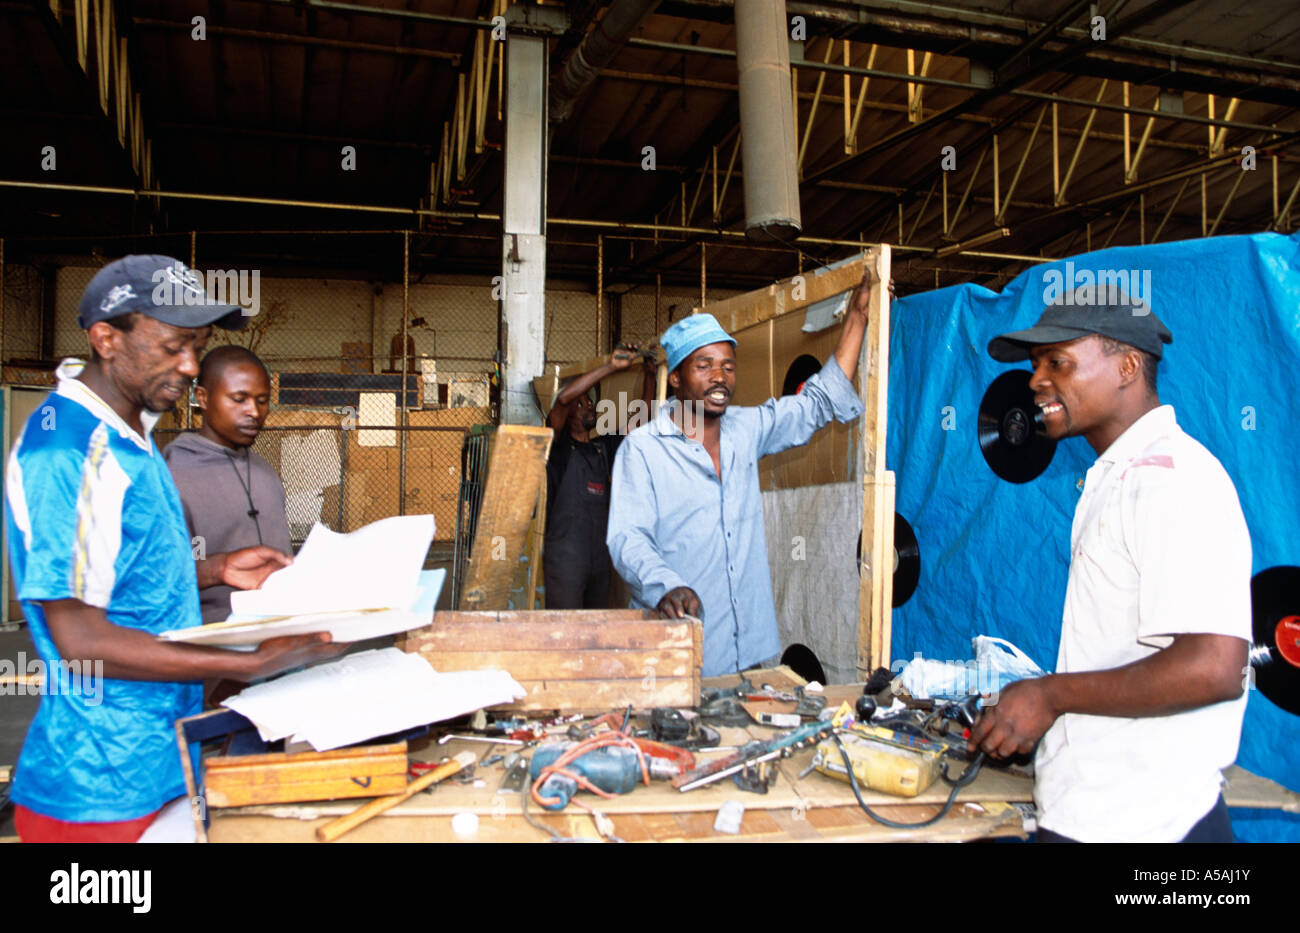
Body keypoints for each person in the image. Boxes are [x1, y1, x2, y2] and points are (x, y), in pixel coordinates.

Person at [3, 255, 345, 842]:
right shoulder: (70, 452)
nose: (190, 365)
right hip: (101, 788)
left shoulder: (127, 434)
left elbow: (121, 574)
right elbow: (80, 639)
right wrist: (250, 664)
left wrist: (213, 570)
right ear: (106, 339)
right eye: (173, 346)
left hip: (160, 757)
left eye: (198, 345)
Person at [972, 290, 1250, 843]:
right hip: (1099, 813)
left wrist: (1050, 695)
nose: (1035, 381)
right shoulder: (1118, 474)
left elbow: (1215, 665)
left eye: (1059, 362)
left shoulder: (1171, 479)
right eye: (1035, 366)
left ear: (1126, 366)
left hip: (1147, 827)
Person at [606, 267, 877, 677]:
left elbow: (816, 403)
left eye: (728, 366)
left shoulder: (746, 430)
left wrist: (857, 317)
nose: (720, 376)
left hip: (746, 648)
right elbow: (628, 539)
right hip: (678, 650)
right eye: (705, 365)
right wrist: (666, 587)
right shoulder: (643, 450)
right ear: (676, 377)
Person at [164, 345, 292, 624]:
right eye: (239, 399)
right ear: (203, 398)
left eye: (262, 400)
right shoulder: (171, 475)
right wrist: (214, 570)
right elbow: (152, 580)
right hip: (208, 639)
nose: (254, 412)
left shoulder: (264, 471)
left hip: (280, 629)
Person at [544, 346, 656, 609]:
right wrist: (610, 368)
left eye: (589, 401)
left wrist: (650, 377)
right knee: (565, 628)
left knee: (596, 627)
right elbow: (561, 401)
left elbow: (640, 423)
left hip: (600, 556)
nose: (589, 405)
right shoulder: (557, 448)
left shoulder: (603, 446)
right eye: (580, 403)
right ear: (568, 414)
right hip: (566, 559)